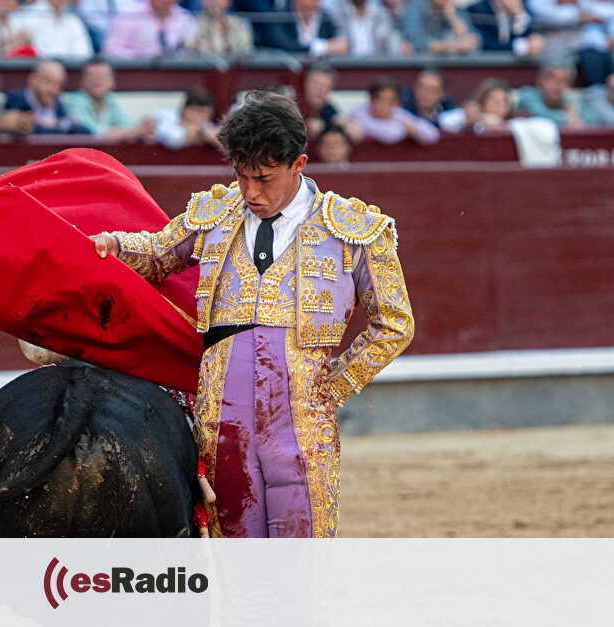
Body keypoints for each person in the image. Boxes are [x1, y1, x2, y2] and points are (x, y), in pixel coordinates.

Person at [90, 90, 414, 537]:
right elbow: (156, 254)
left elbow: (394, 324)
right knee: (236, 553)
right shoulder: (217, 212)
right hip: (223, 422)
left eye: (263, 178)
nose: (250, 192)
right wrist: (112, 245)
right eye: (241, 176)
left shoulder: (353, 229)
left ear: (298, 165)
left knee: (301, 553)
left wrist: (333, 387)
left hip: (302, 423)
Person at [61, 59, 155, 139]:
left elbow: (125, 123)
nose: (97, 81)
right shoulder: (75, 101)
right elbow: (92, 132)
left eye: (103, 76)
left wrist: (144, 125)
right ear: (82, 82)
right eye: (92, 76)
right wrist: (136, 131)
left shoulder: (110, 99)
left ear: (113, 81)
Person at [4, 60, 91, 134]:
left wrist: (55, 124)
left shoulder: (58, 105)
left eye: (59, 85)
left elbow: (83, 131)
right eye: (48, 82)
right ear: (32, 80)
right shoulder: (15, 99)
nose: (53, 90)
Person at [348, 76, 440, 144]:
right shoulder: (358, 113)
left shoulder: (397, 113)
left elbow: (432, 134)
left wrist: (412, 129)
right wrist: (403, 127)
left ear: (396, 103)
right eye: (380, 100)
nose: (384, 105)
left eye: (390, 101)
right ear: (371, 100)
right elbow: (391, 134)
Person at [101, 0, 198, 60]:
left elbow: (193, 49)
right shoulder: (128, 14)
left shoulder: (185, 18)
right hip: (137, 75)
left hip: (176, 76)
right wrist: (141, 55)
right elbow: (110, 50)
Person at [14, 0, 94, 60]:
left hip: (69, 70)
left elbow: (84, 53)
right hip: (40, 68)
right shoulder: (28, 17)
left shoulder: (74, 21)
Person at [327, 0, 410, 56]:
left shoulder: (381, 13)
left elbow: (390, 40)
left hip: (377, 65)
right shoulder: (335, 14)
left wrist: (398, 47)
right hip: (345, 66)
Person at [515, 60, 582, 128]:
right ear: (541, 80)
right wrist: (569, 118)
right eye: (552, 78)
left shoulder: (568, 100)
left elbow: (587, 117)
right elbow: (541, 117)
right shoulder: (527, 96)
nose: (558, 85)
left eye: (564, 80)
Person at [150, 86, 221, 150]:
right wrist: (199, 134)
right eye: (199, 111)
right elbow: (171, 140)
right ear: (184, 110)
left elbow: (222, 141)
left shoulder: (205, 124)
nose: (203, 117)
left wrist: (203, 132)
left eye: (207, 113)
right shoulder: (164, 116)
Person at [466, 0, 545, 55]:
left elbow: (529, 37)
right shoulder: (477, 9)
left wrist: (519, 15)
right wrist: (521, 46)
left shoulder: (522, 8)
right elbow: (483, 44)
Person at [400, 0, 479, 54]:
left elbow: (471, 41)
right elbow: (420, 43)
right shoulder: (415, 8)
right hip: (423, 66)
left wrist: (451, 15)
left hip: (453, 66)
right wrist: (455, 46)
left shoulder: (457, 10)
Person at [437, 76, 512, 133]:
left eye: (503, 100)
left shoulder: (513, 123)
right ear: (482, 100)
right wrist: (480, 119)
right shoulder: (468, 117)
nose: (498, 104)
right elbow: (442, 121)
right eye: (493, 99)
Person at [302, 62, 341, 139]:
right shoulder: (289, 107)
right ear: (305, 83)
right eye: (315, 84)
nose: (319, 90)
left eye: (325, 86)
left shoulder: (330, 111)